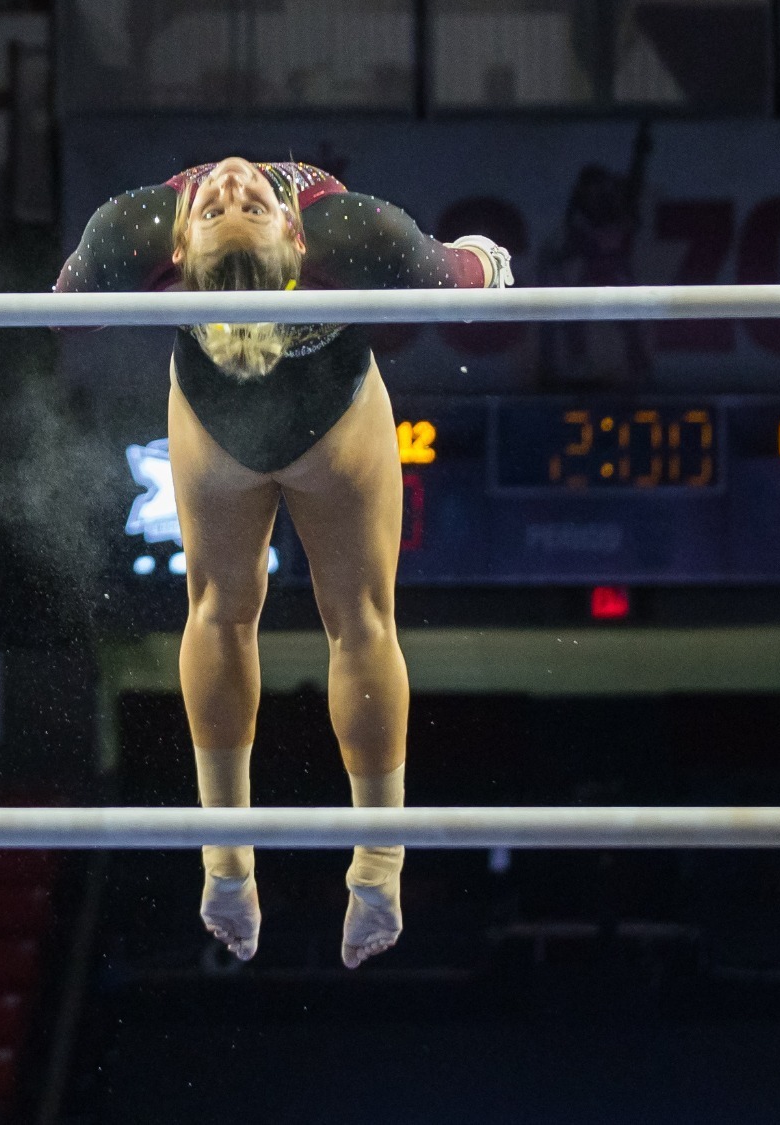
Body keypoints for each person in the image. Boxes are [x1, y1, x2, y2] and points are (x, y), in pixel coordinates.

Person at [56, 158, 513, 967]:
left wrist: (124, 291)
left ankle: (356, 865)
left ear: (300, 241)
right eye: (232, 207)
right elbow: (467, 274)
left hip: (241, 423)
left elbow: (61, 317)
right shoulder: (349, 232)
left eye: (240, 205)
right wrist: (491, 264)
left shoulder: (135, 232)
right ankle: (248, 862)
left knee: (266, 618)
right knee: (335, 622)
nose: (230, 184)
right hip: (314, 419)